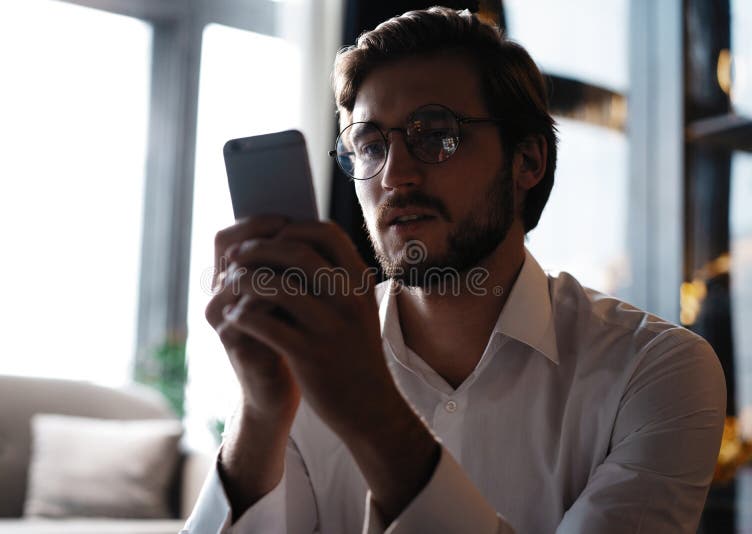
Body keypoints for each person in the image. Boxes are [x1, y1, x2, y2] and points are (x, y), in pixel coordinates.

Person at [182, 7, 726, 533]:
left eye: (436, 135)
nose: (395, 176)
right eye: (370, 145)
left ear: (527, 161)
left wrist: (368, 406)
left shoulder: (657, 372)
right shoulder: (306, 360)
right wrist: (260, 413)